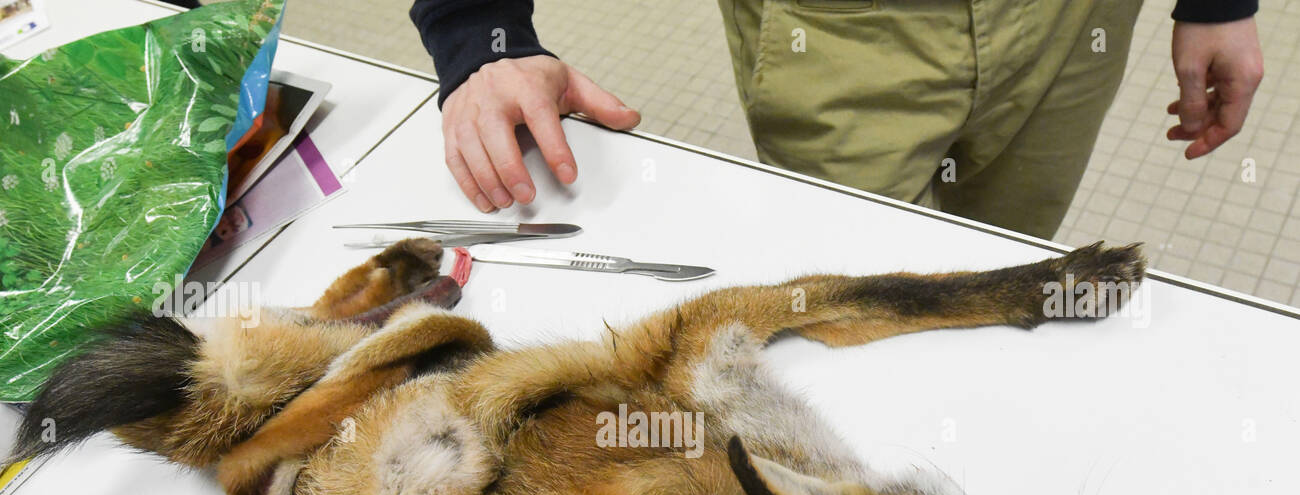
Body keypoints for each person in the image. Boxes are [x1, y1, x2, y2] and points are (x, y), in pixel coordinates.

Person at [410, 0, 1264, 240]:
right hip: (842, 28)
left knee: (1007, 263)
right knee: (840, 303)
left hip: (1071, 23)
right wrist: (478, 31)